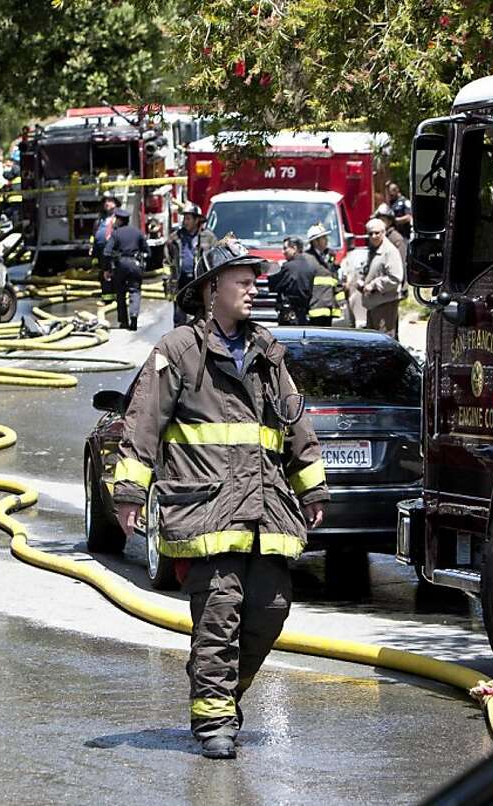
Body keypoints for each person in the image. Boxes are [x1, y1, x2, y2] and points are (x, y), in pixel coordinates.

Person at [111, 238, 328, 760]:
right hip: (206, 506)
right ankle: (213, 723)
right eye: (242, 280)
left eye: (255, 280)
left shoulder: (267, 352)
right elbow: (143, 422)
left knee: (271, 607)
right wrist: (128, 492)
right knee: (220, 613)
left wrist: (312, 483)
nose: (254, 288)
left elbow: (295, 420)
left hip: (267, 507)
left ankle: (223, 695)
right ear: (212, 289)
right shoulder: (179, 351)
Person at [165, 202, 216, 326]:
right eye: (184, 218)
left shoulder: (208, 237)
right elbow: (167, 260)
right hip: (180, 282)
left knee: (201, 316)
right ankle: (179, 341)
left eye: (188, 218)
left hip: (199, 282)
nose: (185, 222)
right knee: (179, 316)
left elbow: (215, 260)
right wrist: (167, 280)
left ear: (197, 220)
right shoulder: (175, 237)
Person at [103, 208, 148, 330]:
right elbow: (147, 251)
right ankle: (133, 317)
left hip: (120, 265)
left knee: (120, 293)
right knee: (135, 291)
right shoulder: (137, 232)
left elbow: (106, 252)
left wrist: (107, 269)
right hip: (135, 264)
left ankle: (123, 321)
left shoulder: (115, 234)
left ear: (119, 220)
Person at [359, 217, 404, 337]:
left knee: (384, 340)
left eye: (377, 233)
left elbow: (395, 278)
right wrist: (362, 282)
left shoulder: (390, 251)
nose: (374, 236)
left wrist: (374, 285)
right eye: (370, 233)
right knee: (373, 342)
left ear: (384, 232)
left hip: (385, 305)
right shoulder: (373, 250)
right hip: (373, 304)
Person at [267, 237, 314, 325]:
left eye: (285, 248)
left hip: (289, 314)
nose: (283, 252)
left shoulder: (288, 267)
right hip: (304, 315)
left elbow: (273, 285)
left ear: (294, 248)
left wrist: (274, 268)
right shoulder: (310, 266)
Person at [303, 224, 337, 326]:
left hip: (329, 308)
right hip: (314, 309)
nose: (326, 240)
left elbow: (334, 280)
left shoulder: (329, 256)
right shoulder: (307, 258)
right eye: (323, 238)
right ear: (315, 241)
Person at [94, 193, 120, 303]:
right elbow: (95, 233)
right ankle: (107, 297)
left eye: (109, 201)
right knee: (103, 273)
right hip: (101, 250)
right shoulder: (100, 218)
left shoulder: (118, 218)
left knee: (113, 272)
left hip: (112, 250)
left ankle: (116, 296)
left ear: (115, 203)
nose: (106, 204)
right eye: (105, 201)